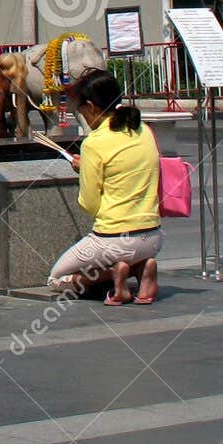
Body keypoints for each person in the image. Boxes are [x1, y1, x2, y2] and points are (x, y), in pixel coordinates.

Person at [47, 69, 162, 305]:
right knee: (130, 253)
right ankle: (141, 268)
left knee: (57, 279)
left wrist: (85, 171)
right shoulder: (143, 130)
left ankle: (113, 272)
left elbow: (90, 205)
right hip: (152, 236)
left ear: (91, 106)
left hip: (113, 239)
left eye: (80, 110)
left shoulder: (94, 143)